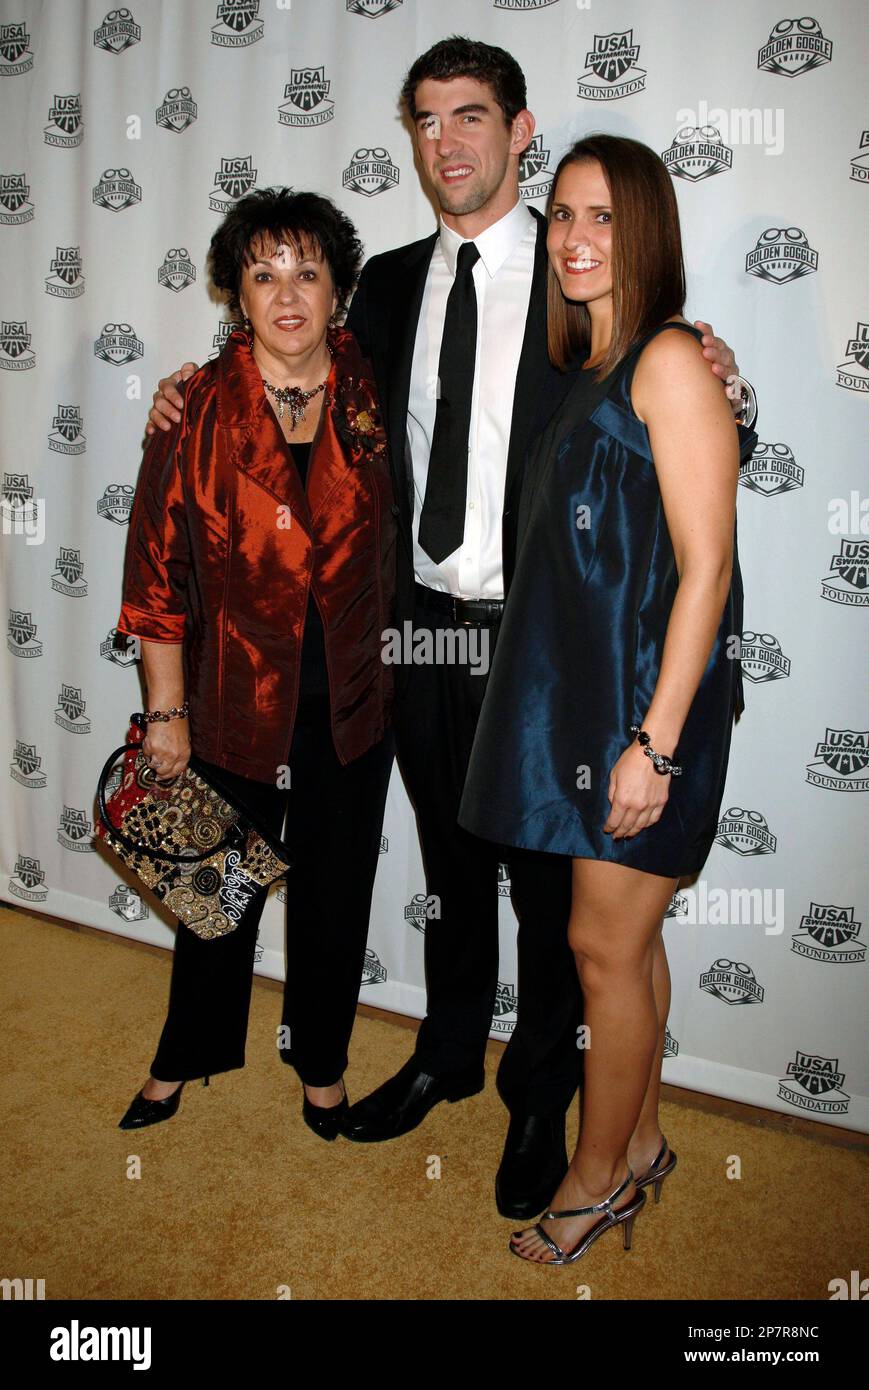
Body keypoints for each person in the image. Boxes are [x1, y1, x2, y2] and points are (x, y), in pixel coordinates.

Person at [146, 39, 750, 1219]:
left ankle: (541, 1093)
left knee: (551, 886)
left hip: (542, 641)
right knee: (448, 860)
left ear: (519, 131)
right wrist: (192, 386)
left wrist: (724, 367)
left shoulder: (583, 283)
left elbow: (658, 406)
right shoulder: (383, 285)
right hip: (418, 627)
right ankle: (446, 1053)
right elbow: (290, 347)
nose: (448, 143)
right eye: (425, 121)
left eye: (471, 117)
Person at [458, 134, 755, 1264]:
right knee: (622, 949)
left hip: (647, 714)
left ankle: (592, 1184)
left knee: (597, 950)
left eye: (603, 220)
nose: (576, 241)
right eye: (565, 218)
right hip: (597, 710)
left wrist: (655, 743)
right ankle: (641, 1142)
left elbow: (707, 568)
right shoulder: (599, 362)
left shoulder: (668, 361)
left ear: (646, 236)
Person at [115, 188, 396, 1140]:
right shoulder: (193, 406)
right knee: (218, 896)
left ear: (338, 291)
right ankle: (180, 1058)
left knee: (333, 896)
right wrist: (165, 713)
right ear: (236, 291)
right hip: (233, 698)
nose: (287, 295)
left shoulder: (371, 383)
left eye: (308, 273)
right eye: (264, 272)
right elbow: (156, 571)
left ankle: (321, 1066)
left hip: (351, 698)